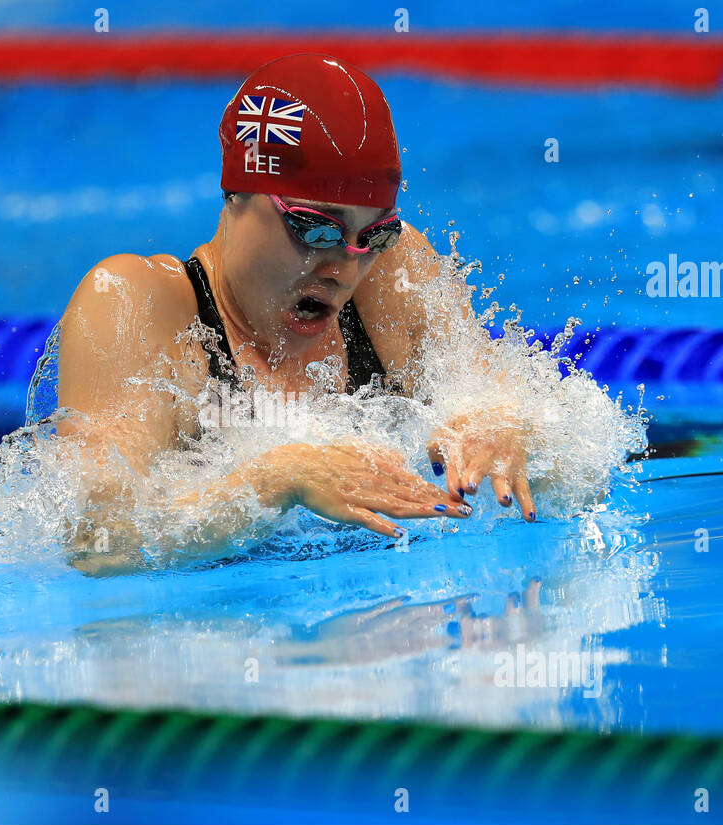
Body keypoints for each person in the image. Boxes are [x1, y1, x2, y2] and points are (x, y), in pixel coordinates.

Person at [53, 53, 538, 570]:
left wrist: (505, 427)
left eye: (374, 235)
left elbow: (547, 431)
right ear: (238, 193)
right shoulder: (136, 303)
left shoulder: (391, 276)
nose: (346, 270)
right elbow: (97, 541)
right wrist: (276, 481)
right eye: (316, 229)